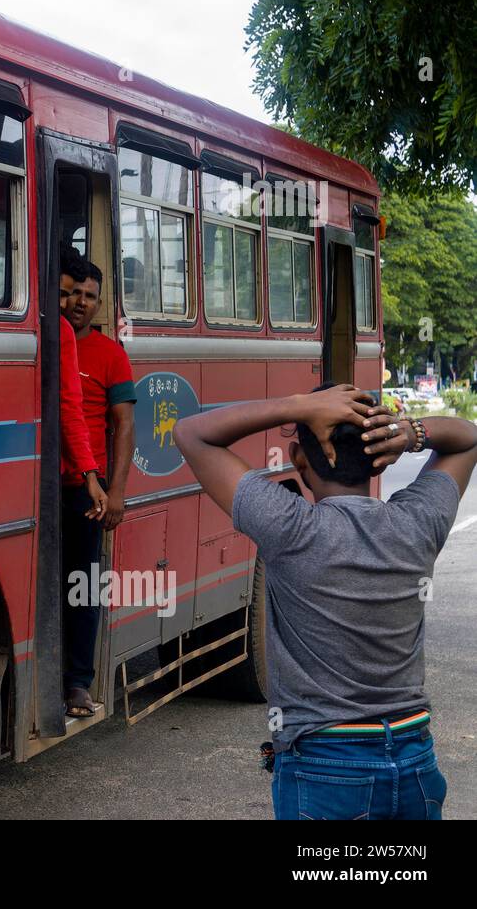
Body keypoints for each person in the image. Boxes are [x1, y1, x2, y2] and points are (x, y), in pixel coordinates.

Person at [174, 383, 477, 820]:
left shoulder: (289, 528)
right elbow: (466, 437)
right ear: (379, 459)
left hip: (325, 763)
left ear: (299, 460)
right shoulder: (417, 522)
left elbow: (192, 433)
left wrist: (297, 404)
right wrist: (412, 433)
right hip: (414, 758)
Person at [60, 258, 136, 717]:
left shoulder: (110, 354)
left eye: (88, 297)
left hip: (88, 489)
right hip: (43, 485)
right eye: (71, 294)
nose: (78, 304)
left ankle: (77, 684)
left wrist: (117, 492)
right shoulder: (49, 342)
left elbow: (124, 426)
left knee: (82, 584)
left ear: (99, 303)